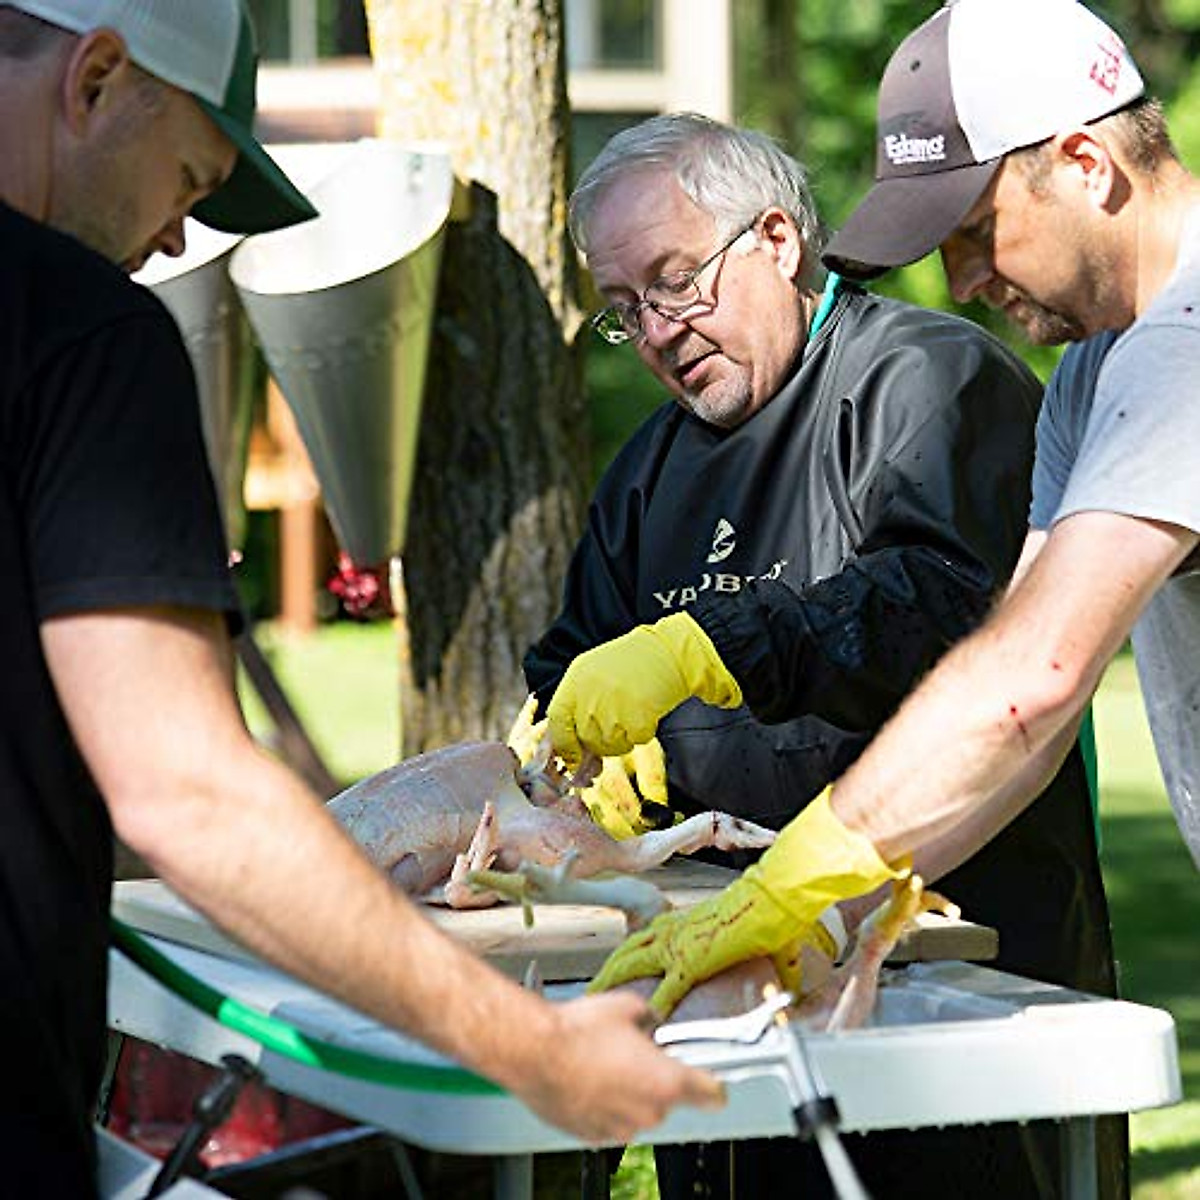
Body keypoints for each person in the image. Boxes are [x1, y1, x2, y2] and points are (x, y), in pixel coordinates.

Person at [0, 2, 722, 1193]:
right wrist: (530, 1049)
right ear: (97, 79)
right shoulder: (81, 333)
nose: (176, 239)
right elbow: (185, 792)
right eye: (189, 178)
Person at [528, 112, 1124, 1197]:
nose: (656, 332)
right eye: (625, 307)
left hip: (951, 988)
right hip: (727, 980)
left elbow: (937, 606)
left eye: (675, 282)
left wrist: (705, 648)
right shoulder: (649, 467)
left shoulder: (931, 379)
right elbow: (572, 659)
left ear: (775, 239)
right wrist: (572, 736)